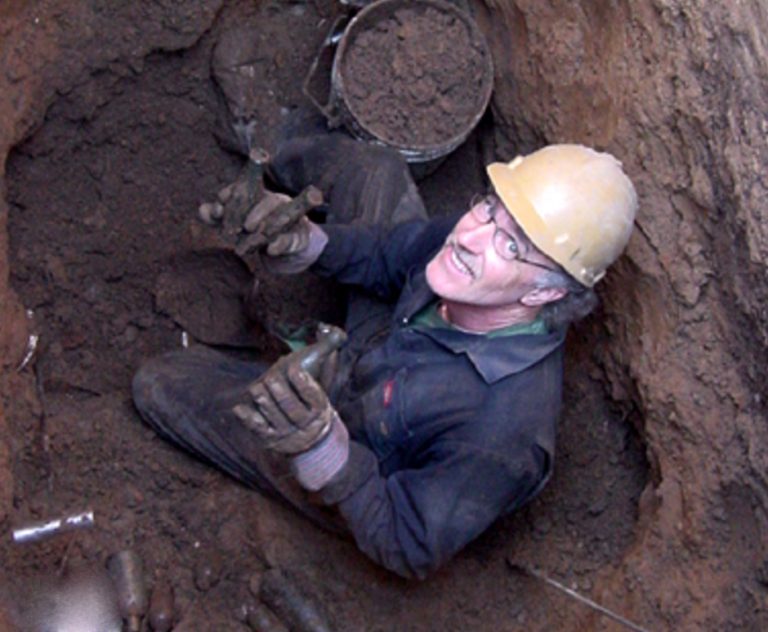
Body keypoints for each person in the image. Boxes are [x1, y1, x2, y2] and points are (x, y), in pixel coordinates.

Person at [132, 125, 637, 579]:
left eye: (511, 247)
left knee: (161, 384)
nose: (472, 236)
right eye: (489, 207)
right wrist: (306, 243)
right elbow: (390, 254)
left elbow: (405, 541)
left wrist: (321, 449)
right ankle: (265, 143)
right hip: (382, 341)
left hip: (357, 447)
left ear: (544, 294)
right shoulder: (471, 252)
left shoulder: (500, 434)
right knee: (377, 170)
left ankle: (292, 420)